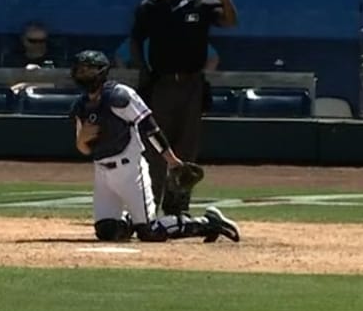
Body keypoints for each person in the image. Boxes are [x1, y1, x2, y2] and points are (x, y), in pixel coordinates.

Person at [69, 50, 240, 244]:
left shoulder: (120, 95)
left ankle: (208, 223)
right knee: (107, 231)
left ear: (101, 72)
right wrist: (82, 139)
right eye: (80, 71)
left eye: (89, 71)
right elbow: (84, 149)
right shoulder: (80, 106)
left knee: (150, 232)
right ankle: (134, 219)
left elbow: (150, 128)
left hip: (129, 169)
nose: (84, 76)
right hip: (102, 172)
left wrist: (173, 161)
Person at [128, 0, 239, 217]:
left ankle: (178, 207)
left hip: (191, 83)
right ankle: (150, 204)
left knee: (187, 147)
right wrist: (142, 70)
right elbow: (136, 39)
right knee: (157, 145)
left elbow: (230, 21)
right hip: (162, 81)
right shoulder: (151, 6)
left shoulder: (201, 4)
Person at [113, 36, 219, 73]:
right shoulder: (141, 38)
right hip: (149, 87)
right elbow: (119, 56)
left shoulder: (187, 34)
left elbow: (213, 58)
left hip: (182, 87)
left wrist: (199, 81)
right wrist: (129, 80)